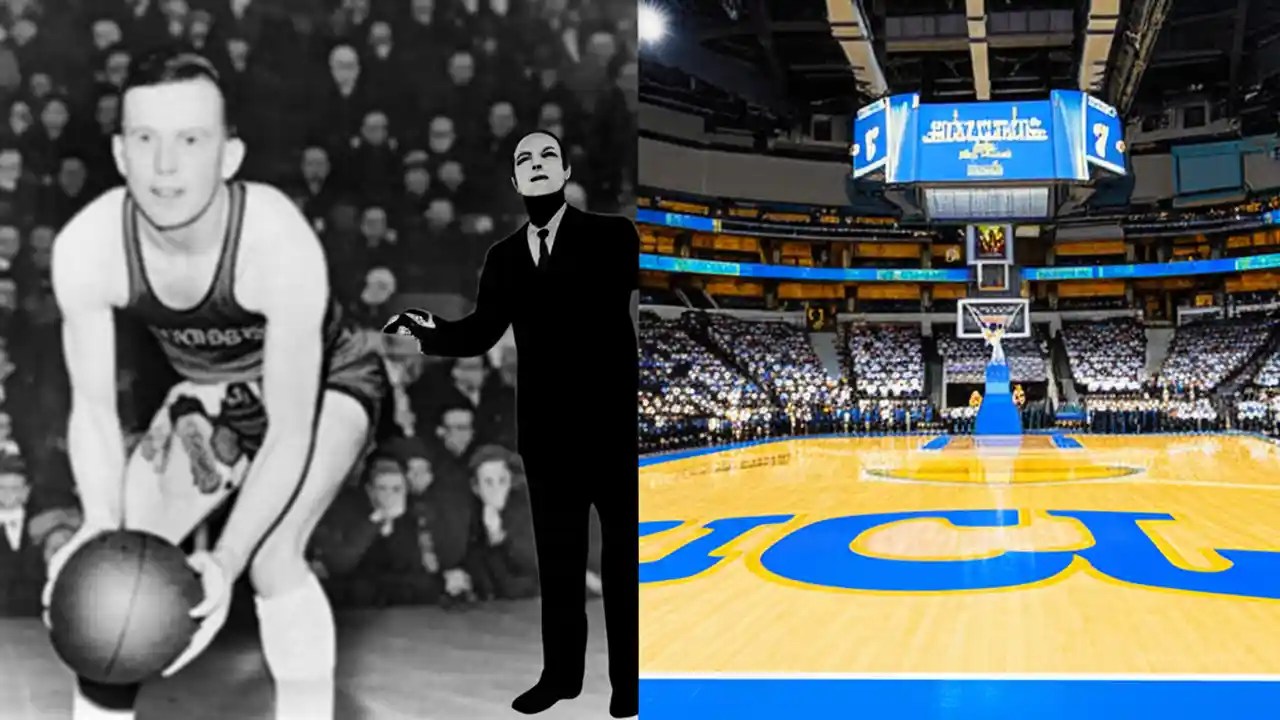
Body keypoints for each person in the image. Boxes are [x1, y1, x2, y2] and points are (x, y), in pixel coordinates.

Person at [43, 47, 388, 720]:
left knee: (272, 556)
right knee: (120, 572)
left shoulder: (277, 243)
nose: (165, 166)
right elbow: (90, 412)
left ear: (228, 156)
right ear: (119, 154)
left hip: (327, 383)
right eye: (146, 140)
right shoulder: (86, 248)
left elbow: (289, 431)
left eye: (191, 140)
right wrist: (99, 524)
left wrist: (225, 560)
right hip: (215, 393)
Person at [382, 130, 638, 718]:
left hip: (609, 427)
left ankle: (628, 683)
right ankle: (561, 677)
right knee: (561, 563)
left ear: (566, 171)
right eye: (526, 160)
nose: (538, 164)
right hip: (546, 435)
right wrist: (427, 330)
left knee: (623, 564)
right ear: (517, 182)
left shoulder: (611, 236)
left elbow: (595, 299)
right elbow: (479, 333)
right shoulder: (502, 257)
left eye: (548, 155)